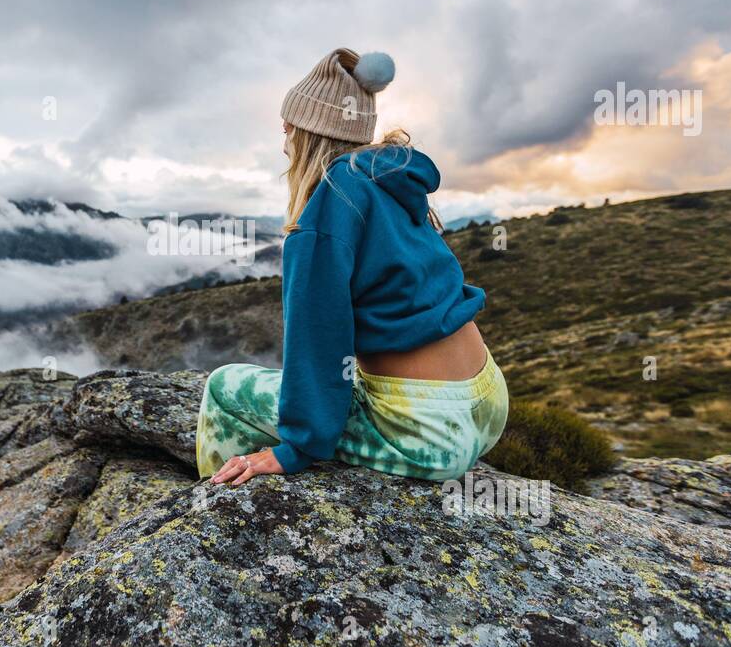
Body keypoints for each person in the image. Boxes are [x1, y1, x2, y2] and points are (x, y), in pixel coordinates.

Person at [197, 47, 508, 486]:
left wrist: (298, 447)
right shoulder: (388, 182)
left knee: (223, 387)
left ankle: (213, 509)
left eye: (290, 125)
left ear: (306, 132)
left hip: (431, 430)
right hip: (489, 399)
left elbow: (320, 337)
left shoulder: (326, 212)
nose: (284, 134)